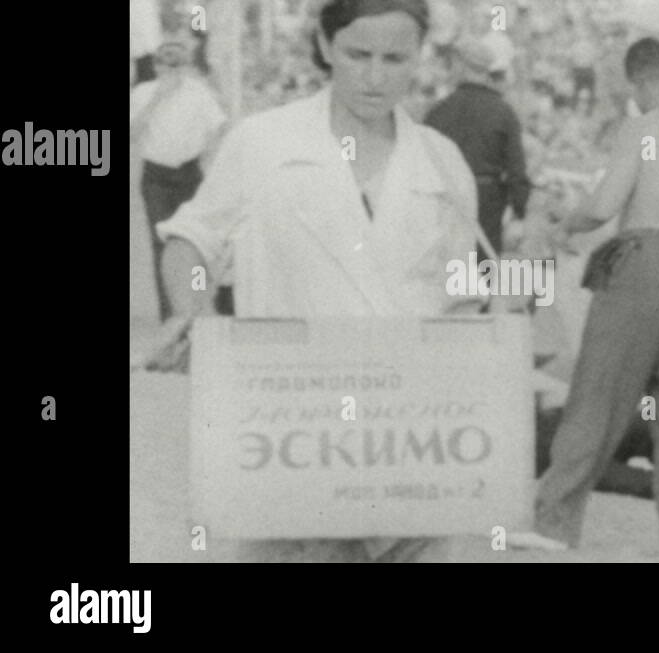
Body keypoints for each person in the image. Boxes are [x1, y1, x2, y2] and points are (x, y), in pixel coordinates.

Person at [135, 0, 484, 562]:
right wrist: (193, 314)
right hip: (293, 435)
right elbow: (190, 241)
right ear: (325, 47)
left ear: (420, 55)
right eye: (357, 54)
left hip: (408, 444)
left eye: (395, 58)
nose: (375, 77)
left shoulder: (443, 164)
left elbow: (461, 302)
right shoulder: (264, 142)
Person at [515, 38, 659, 561]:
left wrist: (567, 224)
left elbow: (607, 203)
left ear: (638, 81)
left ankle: (554, 522)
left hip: (646, 266)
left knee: (597, 397)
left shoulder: (643, 128)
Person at [130, 36, 227, 321]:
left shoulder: (199, 93)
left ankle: (196, 308)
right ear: (157, 66)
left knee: (193, 242)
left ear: (185, 67)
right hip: (156, 176)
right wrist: (158, 97)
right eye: (165, 63)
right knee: (161, 244)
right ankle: (170, 314)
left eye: (177, 64)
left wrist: (209, 157)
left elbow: (220, 127)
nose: (170, 69)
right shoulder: (142, 93)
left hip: (189, 173)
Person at [424, 36, 531, 264]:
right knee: (483, 270)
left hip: (446, 199)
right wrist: (519, 213)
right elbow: (517, 170)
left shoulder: (438, 111)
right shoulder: (503, 112)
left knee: (445, 271)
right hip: (488, 200)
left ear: (461, 66)